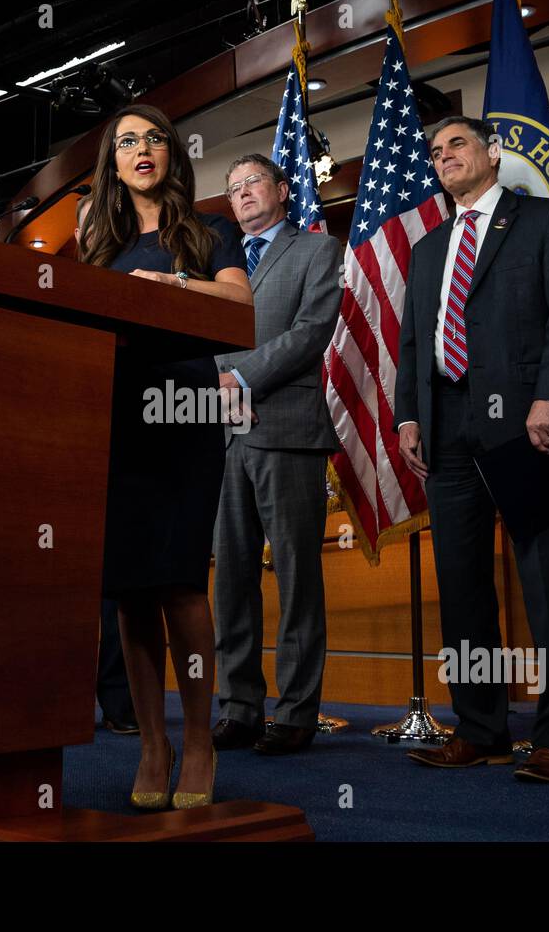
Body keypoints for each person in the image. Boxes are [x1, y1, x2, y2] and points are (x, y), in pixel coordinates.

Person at [394, 115, 549, 783]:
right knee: (461, 586)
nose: (443, 155)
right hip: (446, 432)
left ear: (493, 152)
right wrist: (408, 418)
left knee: (548, 582)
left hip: (524, 425)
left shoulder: (546, 221)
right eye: (435, 150)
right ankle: (481, 729)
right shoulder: (427, 250)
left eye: (456, 143)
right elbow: (412, 344)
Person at [81, 104, 252, 809]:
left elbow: (242, 310)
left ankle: (200, 738)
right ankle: (153, 741)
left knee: (180, 581)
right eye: (127, 141)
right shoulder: (99, 248)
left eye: (153, 137)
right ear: (112, 164)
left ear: (171, 153)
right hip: (115, 416)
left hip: (183, 412)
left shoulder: (210, 231)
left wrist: (174, 284)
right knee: (128, 588)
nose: (142, 148)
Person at [210, 153, 343, 755]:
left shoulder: (317, 249)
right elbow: (202, 331)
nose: (241, 195)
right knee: (231, 577)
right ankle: (238, 706)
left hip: (286, 430)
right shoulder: (220, 262)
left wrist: (240, 379)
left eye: (251, 183)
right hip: (223, 433)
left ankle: (294, 712)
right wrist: (217, 387)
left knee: (295, 576)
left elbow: (312, 331)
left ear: (283, 190)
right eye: (232, 188)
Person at [74, 191, 139, 736]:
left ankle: (122, 704)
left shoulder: (133, 281)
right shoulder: (55, 288)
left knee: (119, 582)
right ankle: (60, 700)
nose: (101, 229)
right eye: (91, 223)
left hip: (130, 444)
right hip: (62, 451)